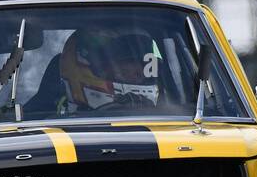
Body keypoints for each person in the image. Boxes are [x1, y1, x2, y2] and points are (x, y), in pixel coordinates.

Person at [24, 29, 160, 114]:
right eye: (128, 63)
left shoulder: (167, 113)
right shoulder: (41, 124)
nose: (140, 72)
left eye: (144, 65)